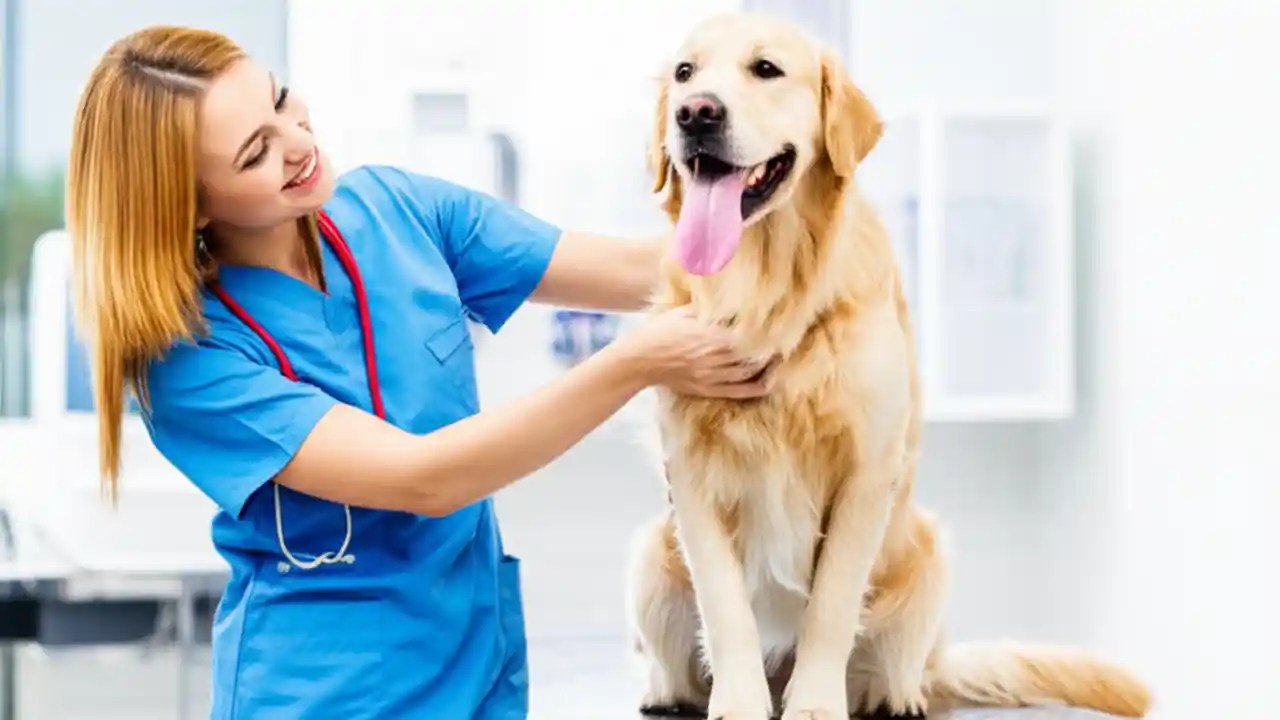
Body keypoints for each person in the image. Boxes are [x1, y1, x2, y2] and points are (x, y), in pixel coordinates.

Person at [66, 25, 773, 720]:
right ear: (188, 206)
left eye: (280, 102)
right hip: (321, 695)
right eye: (256, 153)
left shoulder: (398, 209)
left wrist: (790, 217)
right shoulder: (189, 358)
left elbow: (637, 271)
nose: (299, 143)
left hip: (475, 670)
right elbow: (425, 479)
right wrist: (637, 363)